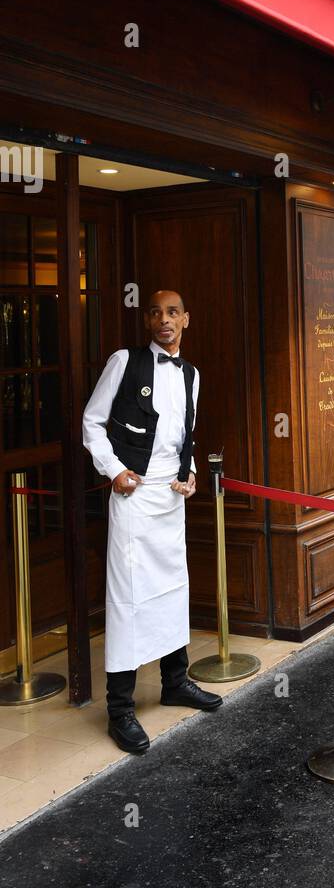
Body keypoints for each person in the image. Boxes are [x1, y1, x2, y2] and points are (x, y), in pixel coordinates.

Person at [83, 290, 222, 754]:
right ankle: (120, 709)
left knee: (172, 587)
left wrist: (191, 473)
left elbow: (186, 435)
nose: (165, 320)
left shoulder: (192, 374)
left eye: (173, 313)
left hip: (170, 497)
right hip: (134, 493)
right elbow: (92, 422)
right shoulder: (124, 362)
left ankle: (174, 682)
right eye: (157, 313)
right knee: (129, 597)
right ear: (148, 320)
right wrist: (114, 470)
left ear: (186, 319)